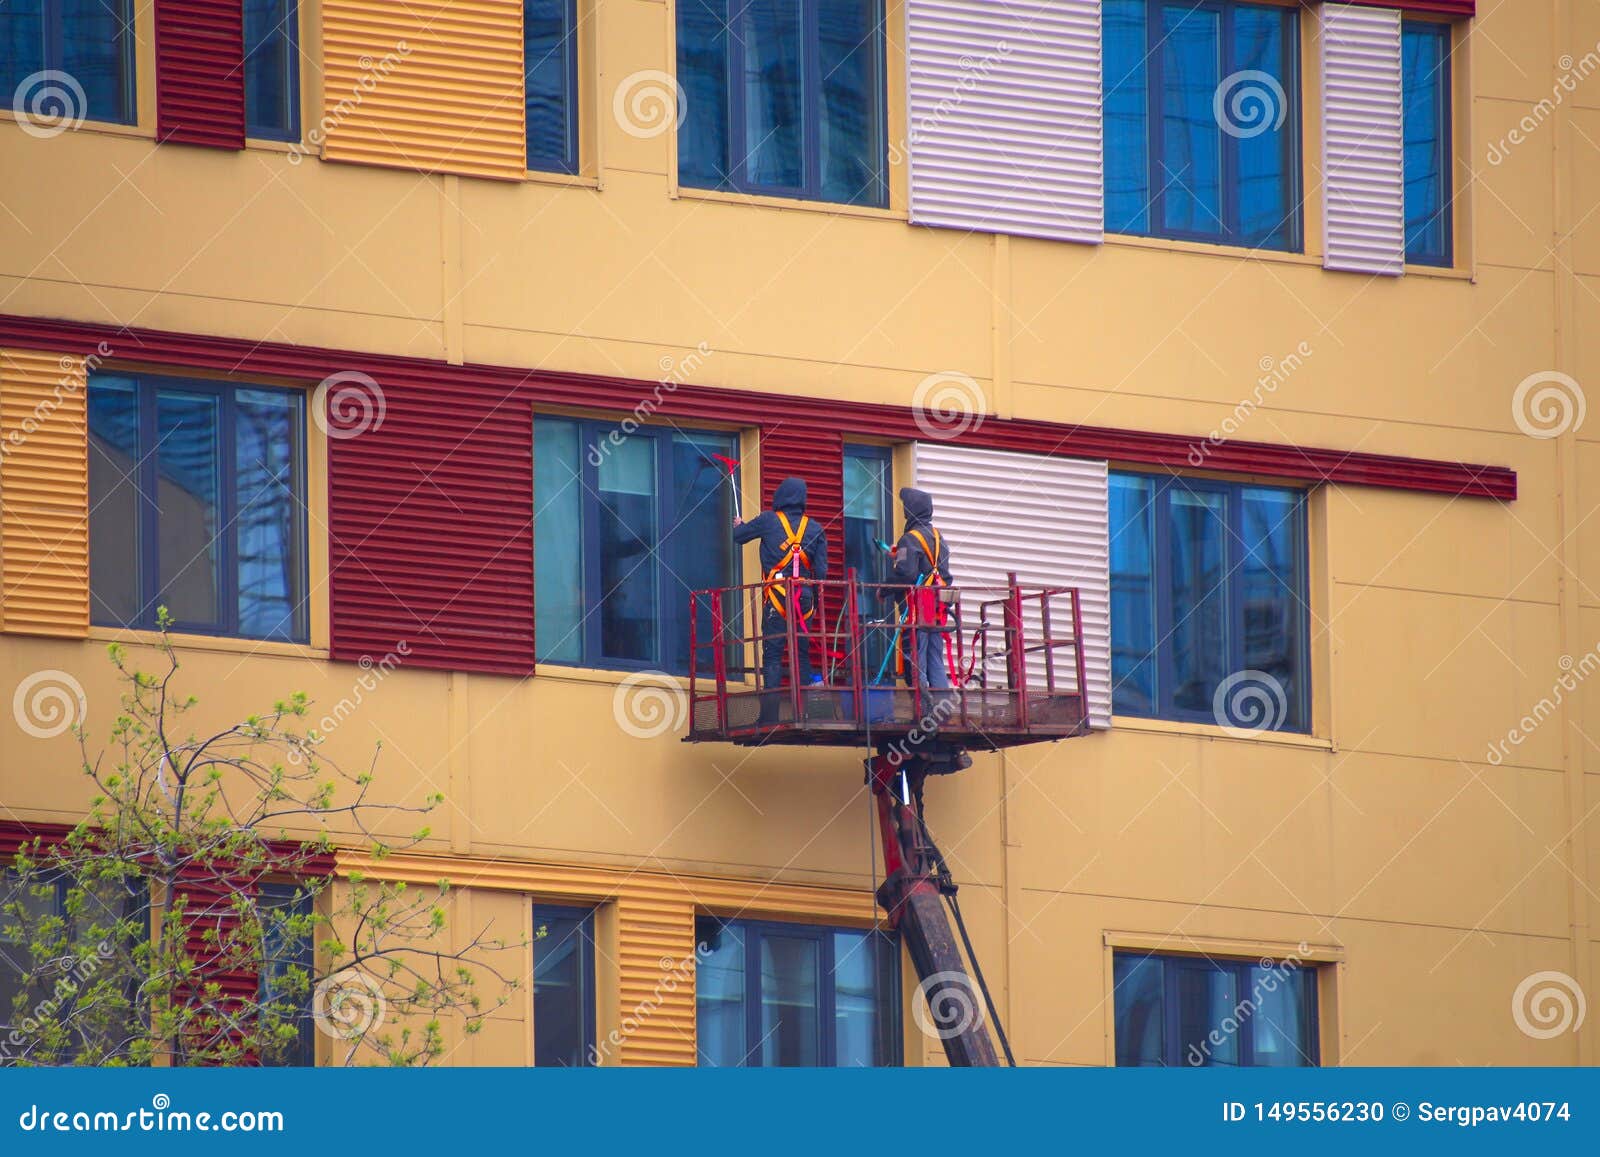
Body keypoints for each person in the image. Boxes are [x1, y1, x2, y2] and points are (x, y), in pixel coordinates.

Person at [734, 476, 829, 720]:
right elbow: (821, 572)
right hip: (805, 597)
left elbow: (739, 537)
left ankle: (769, 716)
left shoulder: (769, 520)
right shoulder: (816, 529)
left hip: (777, 596)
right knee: (802, 652)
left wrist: (739, 525)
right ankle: (805, 712)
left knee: (774, 653)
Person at [891, 486, 953, 692]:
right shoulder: (939, 538)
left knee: (915, 659)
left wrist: (884, 590)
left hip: (916, 611)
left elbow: (905, 574)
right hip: (936, 611)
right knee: (934, 657)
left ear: (910, 511)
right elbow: (945, 576)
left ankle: (922, 710)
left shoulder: (909, 539)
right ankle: (940, 707)